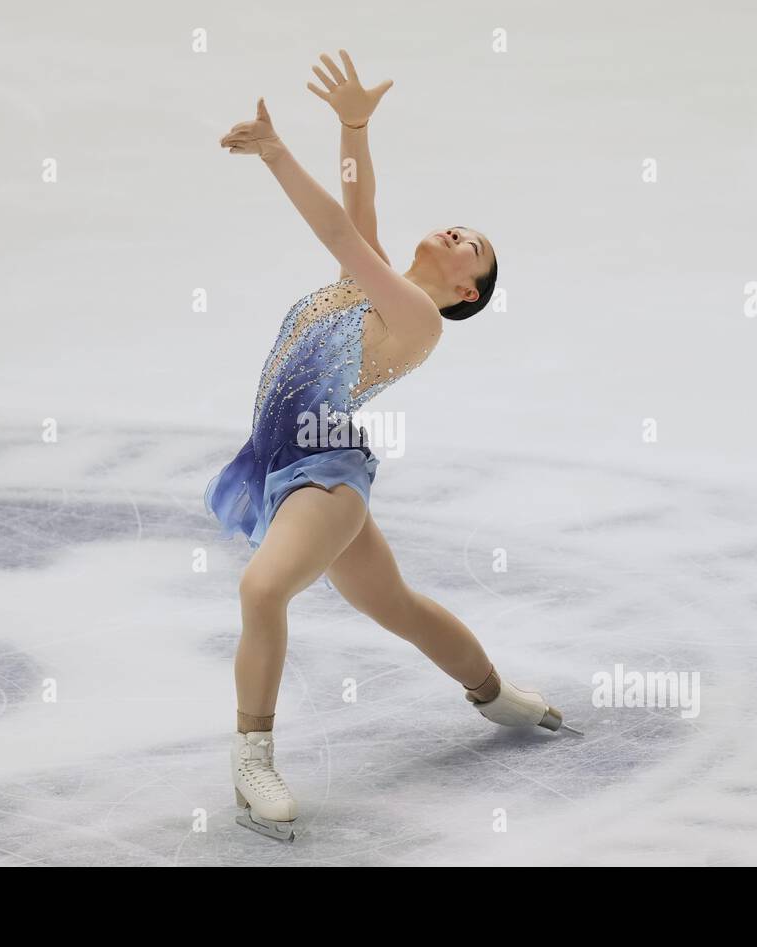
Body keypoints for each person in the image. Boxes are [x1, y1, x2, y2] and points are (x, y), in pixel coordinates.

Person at [208, 50, 566, 843]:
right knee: (394, 605)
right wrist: (354, 126)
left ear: (467, 289)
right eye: (460, 226)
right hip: (279, 460)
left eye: (471, 245)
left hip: (323, 471)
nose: (458, 231)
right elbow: (355, 206)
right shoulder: (363, 282)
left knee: (263, 592)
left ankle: (251, 755)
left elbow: (339, 225)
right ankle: (493, 693)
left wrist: (276, 155)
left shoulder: (417, 316)